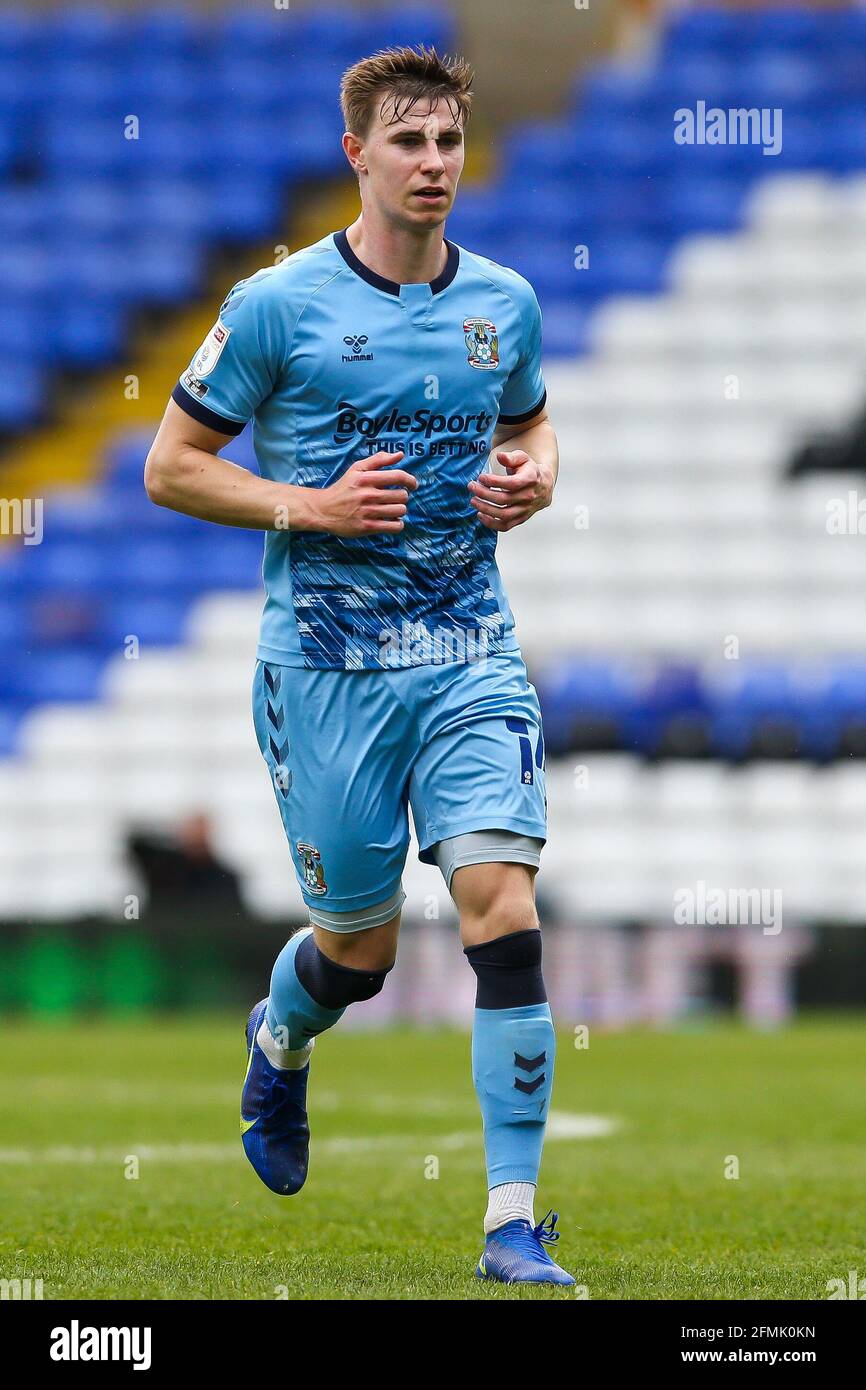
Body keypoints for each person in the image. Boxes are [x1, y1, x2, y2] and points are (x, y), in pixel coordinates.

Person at [145, 44, 571, 1288]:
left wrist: (536, 476)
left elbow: (532, 422)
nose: (432, 164)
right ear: (356, 154)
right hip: (327, 670)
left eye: (446, 142)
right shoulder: (277, 305)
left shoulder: (505, 301)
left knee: (502, 907)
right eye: (407, 142)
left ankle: (508, 1224)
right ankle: (281, 1037)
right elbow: (174, 465)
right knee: (360, 954)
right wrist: (310, 508)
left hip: (468, 656)